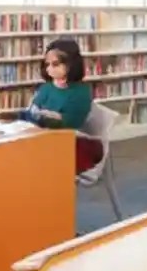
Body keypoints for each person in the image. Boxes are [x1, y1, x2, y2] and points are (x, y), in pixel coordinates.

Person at [20, 38, 104, 175]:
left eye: (55, 64)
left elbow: (72, 122)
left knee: (27, 161)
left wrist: (48, 117)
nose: (49, 69)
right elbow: (35, 107)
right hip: (46, 137)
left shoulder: (81, 92)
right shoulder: (47, 87)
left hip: (70, 143)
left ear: (71, 65)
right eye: (47, 65)